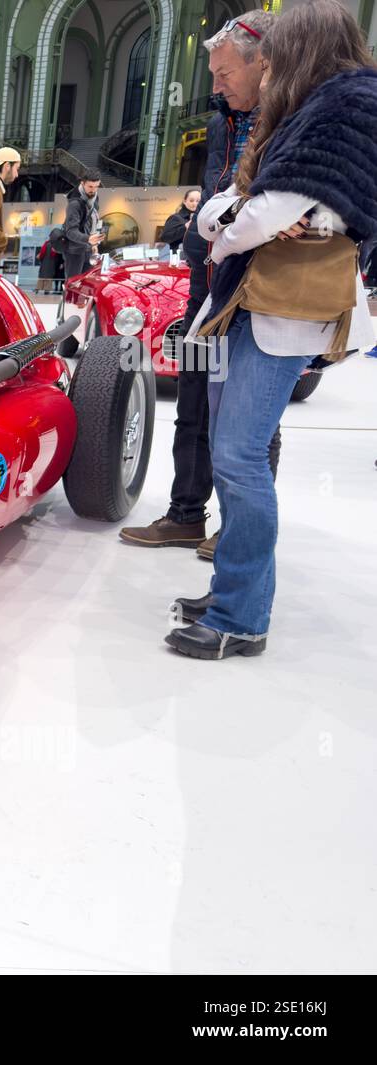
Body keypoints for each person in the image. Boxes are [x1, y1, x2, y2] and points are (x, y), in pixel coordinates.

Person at [166, 0, 377, 660]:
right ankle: (234, 586)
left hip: (277, 310)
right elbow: (234, 207)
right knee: (236, 453)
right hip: (252, 306)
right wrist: (234, 223)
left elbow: (263, 212)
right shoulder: (309, 106)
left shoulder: (345, 104)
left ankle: (241, 614)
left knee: (237, 454)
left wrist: (232, 229)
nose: (269, 64)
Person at [120, 8, 278, 553]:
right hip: (205, 288)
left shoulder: (288, 119)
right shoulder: (219, 122)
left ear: (264, 65)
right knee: (193, 402)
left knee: (249, 416)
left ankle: (236, 529)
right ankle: (186, 513)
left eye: (225, 73)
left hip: (257, 292)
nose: (215, 84)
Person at [62, 168, 102, 279]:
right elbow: (70, 231)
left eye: (96, 186)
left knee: (87, 284)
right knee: (74, 284)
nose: (93, 190)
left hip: (88, 249)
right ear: (82, 183)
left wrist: (93, 244)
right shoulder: (74, 204)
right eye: (90, 186)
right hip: (74, 251)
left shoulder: (95, 198)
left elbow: (93, 222)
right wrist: (88, 239)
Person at [160, 188, 201, 253]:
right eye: (191, 200)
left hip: (197, 257)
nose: (195, 204)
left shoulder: (202, 219)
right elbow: (165, 238)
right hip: (179, 257)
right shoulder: (175, 218)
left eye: (198, 201)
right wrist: (185, 227)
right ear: (184, 201)